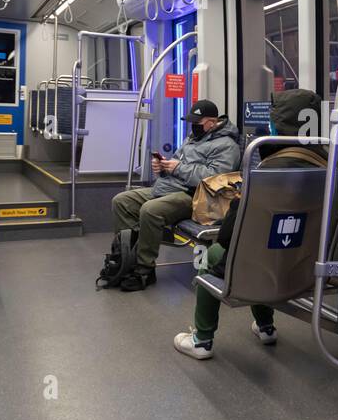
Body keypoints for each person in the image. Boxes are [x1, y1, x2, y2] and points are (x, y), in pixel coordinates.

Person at [174, 88, 325, 359]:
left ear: (280, 124)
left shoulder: (268, 172)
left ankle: (201, 339)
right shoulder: (329, 164)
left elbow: (233, 229)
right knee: (263, 250)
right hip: (308, 259)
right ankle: (265, 326)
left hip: (265, 258)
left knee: (216, 256)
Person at [110, 99, 240, 291]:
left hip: (197, 197)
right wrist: (163, 167)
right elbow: (178, 165)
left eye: (197, 123)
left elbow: (215, 179)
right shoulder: (192, 139)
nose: (193, 127)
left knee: (150, 210)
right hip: (170, 187)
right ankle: (127, 259)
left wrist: (178, 169)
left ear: (212, 123)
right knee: (122, 201)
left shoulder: (227, 146)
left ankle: (144, 269)